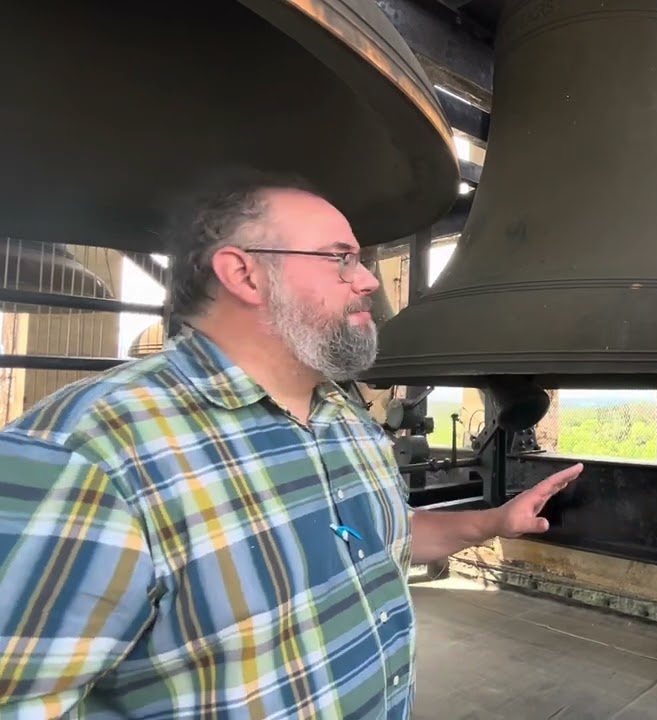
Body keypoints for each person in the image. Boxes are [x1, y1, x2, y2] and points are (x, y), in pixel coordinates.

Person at [0, 169, 582, 718]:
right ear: (244, 274)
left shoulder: (344, 417)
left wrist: (492, 523)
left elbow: (383, 541)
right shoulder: (85, 453)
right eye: (340, 259)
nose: (367, 278)